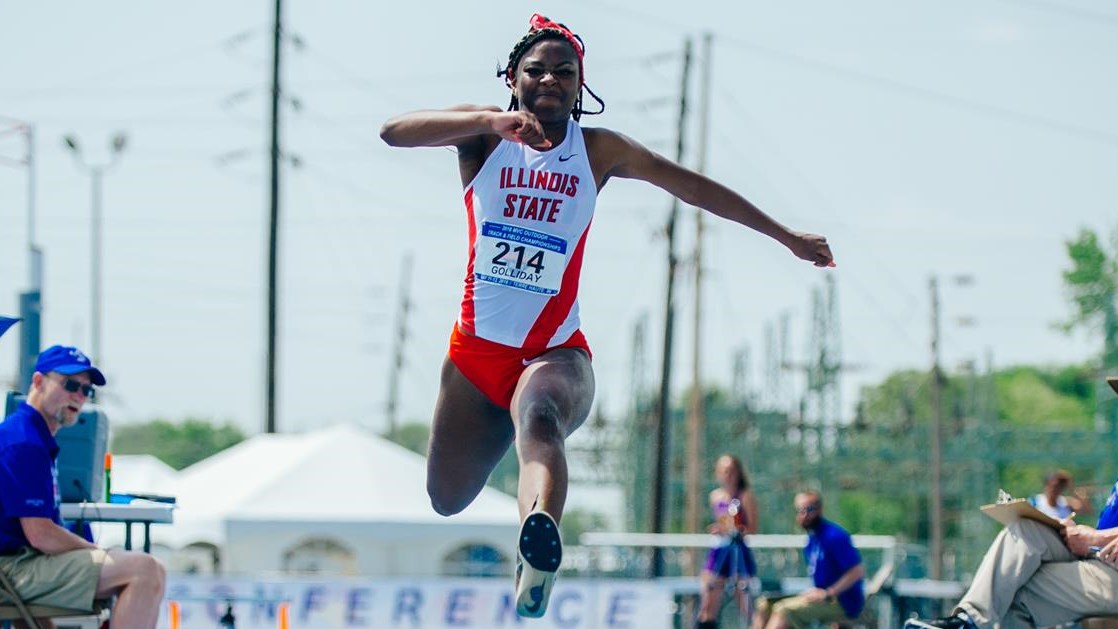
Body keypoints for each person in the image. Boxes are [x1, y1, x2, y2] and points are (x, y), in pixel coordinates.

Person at [380, 14, 835, 618]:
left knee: (539, 420)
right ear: (513, 79)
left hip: (554, 352)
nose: (549, 81)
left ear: (579, 86)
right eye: (535, 71)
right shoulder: (483, 138)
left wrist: (785, 236)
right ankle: (530, 532)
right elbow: (393, 132)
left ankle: (538, 544)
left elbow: (692, 188)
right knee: (446, 497)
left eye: (563, 73)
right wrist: (489, 121)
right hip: (474, 355)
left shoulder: (597, 151)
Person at [904, 382, 1118, 629]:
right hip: (1098, 559)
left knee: (1015, 594)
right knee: (1025, 529)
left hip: (1108, 570)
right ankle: (967, 620)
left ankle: (971, 620)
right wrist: (1082, 534)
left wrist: (1096, 538)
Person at [0, 345, 166, 629]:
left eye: (86, 391)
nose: (78, 396)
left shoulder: (31, 435)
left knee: (144, 569)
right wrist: (96, 552)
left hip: (18, 565)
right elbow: (41, 536)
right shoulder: (24, 440)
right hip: (12, 569)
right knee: (145, 571)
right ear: (38, 382)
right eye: (70, 385)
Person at [752, 491, 864, 629]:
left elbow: (857, 571)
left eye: (809, 509)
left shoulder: (834, 536)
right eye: (800, 510)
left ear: (820, 510)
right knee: (764, 604)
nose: (804, 515)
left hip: (842, 602)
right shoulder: (812, 539)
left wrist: (828, 593)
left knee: (784, 610)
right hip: (821, 597)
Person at [697, 454, 760, 629]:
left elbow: (751, 528)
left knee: (745, 604)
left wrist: (731, 530)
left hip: (738, 552)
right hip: (719, 553)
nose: (728, 475)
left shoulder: (745, 495)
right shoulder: (715, 496)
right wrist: (720, 530)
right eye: (724, 471)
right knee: (708, 602)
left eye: (731, 471)